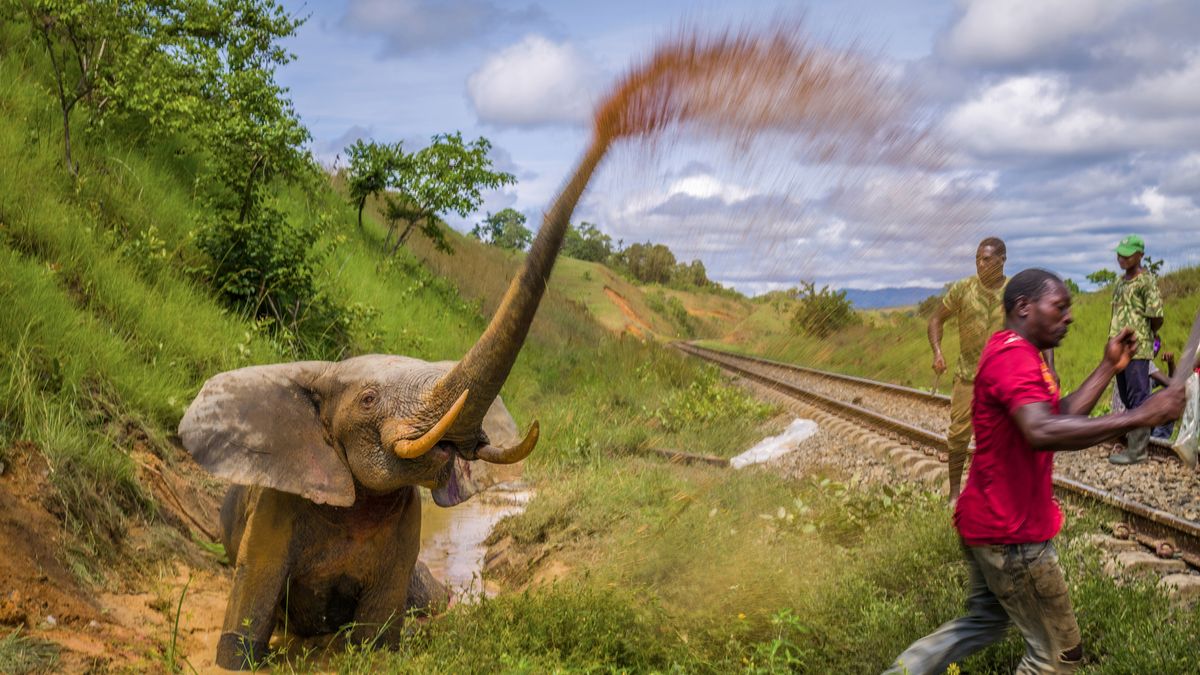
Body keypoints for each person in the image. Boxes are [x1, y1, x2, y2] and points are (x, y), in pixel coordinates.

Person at [886, 269, 1184, 675]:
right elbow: (1042, 431)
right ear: (1024, 307)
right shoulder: (1013, 358)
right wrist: (1140, 415)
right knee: (1058, 656)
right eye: (1059, 307)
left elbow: (1055, 415)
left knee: (984, 623)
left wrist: (1108, 367)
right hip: (1012, 536)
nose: (1069, 317)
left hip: (988, 521)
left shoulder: (1018, 352)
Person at [928, 237, 1007, 504]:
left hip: (1002, 378)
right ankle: (954, 493)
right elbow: (936, 319)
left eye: (986, 259)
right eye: (977, 259)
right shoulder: (964, 288)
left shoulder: (1014, 290)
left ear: (1002, 261)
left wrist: (1046, 366)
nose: (980, 264)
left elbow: (1034, 326)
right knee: (959, 435)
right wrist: (938, 352)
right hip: (967, 376)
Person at [1107, 234, 1165, 464]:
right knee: (1126, 396)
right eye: (1120, 254)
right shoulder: (1120, 282)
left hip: (1137, 349)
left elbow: (1156, 316)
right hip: (1119, 350)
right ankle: (1133, 444)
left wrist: (1146, 336)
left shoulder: (1146, 281)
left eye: (1128, 255)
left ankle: (1138, 451)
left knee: (1139, 397)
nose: (1122, 258)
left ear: (1140, 255)